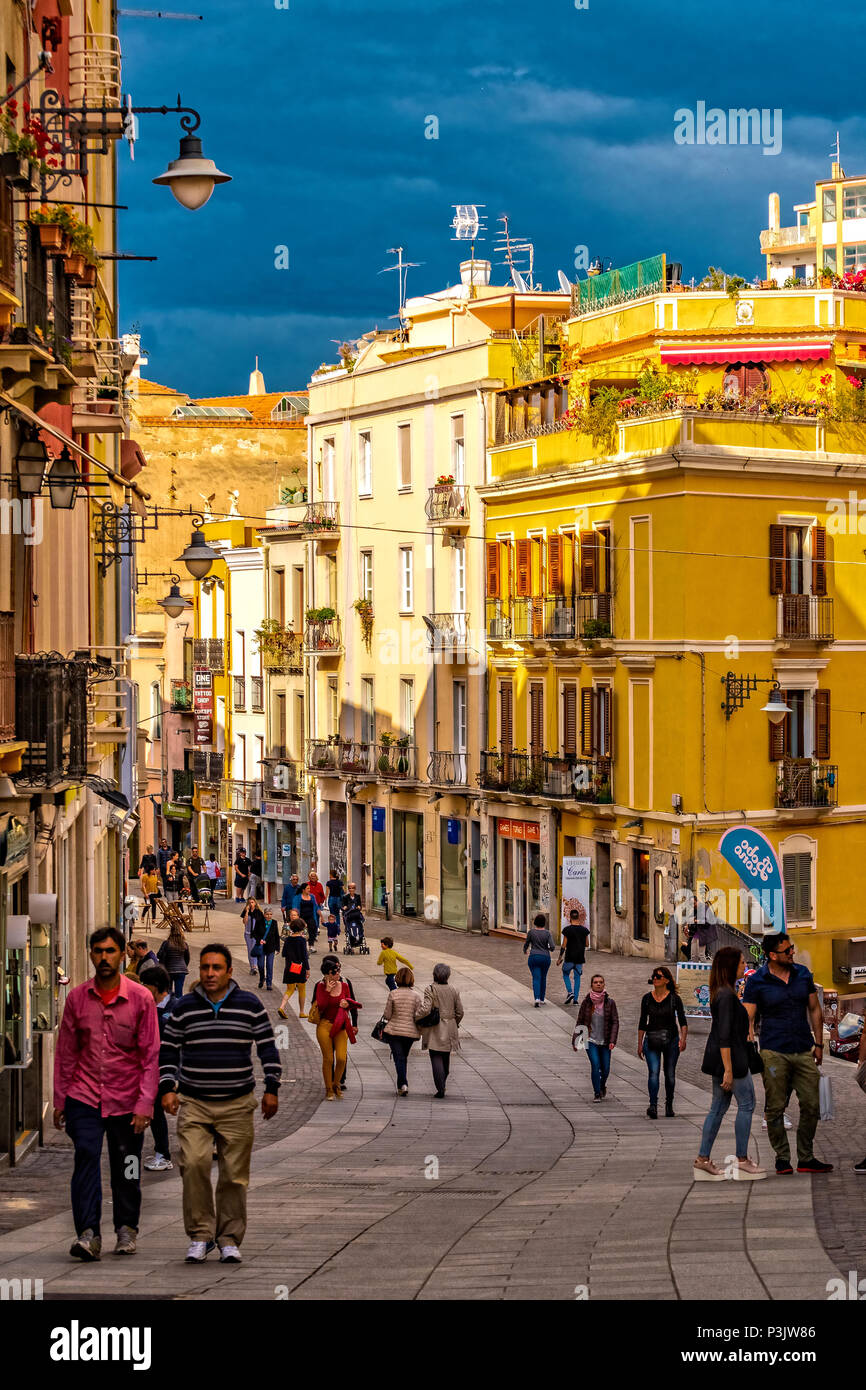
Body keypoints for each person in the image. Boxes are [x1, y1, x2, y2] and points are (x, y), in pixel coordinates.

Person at [159, 943, 280, 1264]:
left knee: (234, 1175)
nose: (210, 974)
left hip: (237, 1103)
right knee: (194, 1164)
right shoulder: (184, 1007)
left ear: (229, 971)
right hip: (195, 1103)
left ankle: (228, 1238)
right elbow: (169, 1049)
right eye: (205, 967)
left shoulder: (249, 1004)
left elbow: (268, 1047)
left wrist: (272, 1087)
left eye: (216, 968)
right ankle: (200, 1235)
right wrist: (167, 1087)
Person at [53, 926, 160, 1261]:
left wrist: (145, 1103)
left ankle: (126, 1228)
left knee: (127, 1165)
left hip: (127, 1100)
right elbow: (66, 1052)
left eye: (110, 951)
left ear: (121, 953)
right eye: (98, 951)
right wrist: (60, 1100)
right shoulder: (78, 998)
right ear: (90, 954)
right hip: (83, 1096)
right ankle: (88, 1234)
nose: (103, 958)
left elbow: (150, 1055)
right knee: (85, 1157)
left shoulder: (141, 999)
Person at [742, 932, 832, 1175]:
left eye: (791, 948)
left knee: (811, 1104)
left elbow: (814, 1009)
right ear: (772, 955)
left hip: (803, 1048)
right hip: (773, 1050)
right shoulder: (757, 981)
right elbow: (748, 1016)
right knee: (775, 1107)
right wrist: (747, 1042)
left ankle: (806, 1157)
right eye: (787, 950)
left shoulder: (802, 974)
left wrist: (820, 1044)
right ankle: (782, 1157)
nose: (792, 952)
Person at [695, 946, 766, 1180]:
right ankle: (742, 1160)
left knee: (718, 1108)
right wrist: (728, 1070)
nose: (745, 965)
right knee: (747, 1104)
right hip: (731, 1059)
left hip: (724, 1057)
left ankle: (703, 1160)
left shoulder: (724, 992)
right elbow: (724, 1034)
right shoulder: (726, 995)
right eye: (742, 962)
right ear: (730, 966)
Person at [138, 964, 178, 1173]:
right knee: (155, 1110)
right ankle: (162, 1153)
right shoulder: (145, 1007)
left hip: (173, 1072)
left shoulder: (176, 1009)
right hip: (151, 1070)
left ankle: (164, 1154)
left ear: (156, 987)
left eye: (145, 985)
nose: (142, 989)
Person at [638, 966, 688, 1118]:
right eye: (653, 976)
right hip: (651, 1039)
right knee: (653, 1072)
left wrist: (683, 1039)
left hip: (671, 1040)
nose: (655, 978)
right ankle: (653, 1105)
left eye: (658, 976)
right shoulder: (646, 998)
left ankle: (669, 1104)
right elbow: (642, 1022)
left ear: (666, 980)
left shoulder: (674, 999)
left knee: (670, 1074)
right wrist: (640, 1043)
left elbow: (682, 1021)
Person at [309, 955, 361, 1100]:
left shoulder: (344, 985)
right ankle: (329, 1089)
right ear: (328, 974)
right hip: (324, 1025)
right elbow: (321, 1006)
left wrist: (347, 1004)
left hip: (341, 1025)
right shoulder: (320, 986)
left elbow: (351, 1002)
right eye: (335, 972)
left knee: (342, 1058)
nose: (338, 974)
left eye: (338, 971)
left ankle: (336, 1083)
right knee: (328, 1059)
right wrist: (327, 990)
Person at [419, 963, 464, 1098]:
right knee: (445, 1055)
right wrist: (455, 1022)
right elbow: (460, 1011)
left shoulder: (430, 989)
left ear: (434, 974)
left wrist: (416, 1016)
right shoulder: (454, 989)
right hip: (450, 1026)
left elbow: (426, 1009)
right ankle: (442, 1082)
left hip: (435, 1027)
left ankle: (440, 1087)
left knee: (435, 1055)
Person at [575, 973, 619, 1100]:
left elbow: (615, 1022)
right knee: (595, 1065)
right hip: (590, 1040)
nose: (598, 984)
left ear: (604, 984)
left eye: (601, 982)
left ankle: (602, 1084)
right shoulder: (586, 1002)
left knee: (605, 1068)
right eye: (596, 982)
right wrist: (576, 1041)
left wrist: (612, 1040)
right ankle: (597, 1093)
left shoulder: (610, 1003)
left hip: (605, 1041)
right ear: (591, 985)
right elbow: (580, 1021)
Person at [383, 966, 424, 1096]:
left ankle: (403, 1083)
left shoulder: (393, 994)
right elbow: (419, 1015)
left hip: (394, 1031)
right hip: (410, 1033)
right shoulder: (416, 996)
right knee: (403, 1057)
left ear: (397, 979)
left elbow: (387, 1015)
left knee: (399, 1058)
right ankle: (402, 1083)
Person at [278, 913, 310, 1018]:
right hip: (299, 967)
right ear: (301, 928)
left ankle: (282, 1007)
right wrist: (307, 969)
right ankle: (301, 1012)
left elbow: (284, 954)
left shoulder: (288, 940)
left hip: (289, 967)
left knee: (290, 989)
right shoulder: (301, 940)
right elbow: (305, 956)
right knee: (302, 989)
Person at [523, 912, 556, 1006]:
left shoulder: (531, 932)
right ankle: (542, 998)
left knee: (536, 978)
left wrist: (525, 950)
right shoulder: (547, 933)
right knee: (543, 978)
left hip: (534, 957)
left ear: (535, 922)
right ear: (544, 923)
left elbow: (526, 943)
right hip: (545, 957)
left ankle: (536, 998)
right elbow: (553, 947)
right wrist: (548, 948)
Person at [558, 907, 590, 1004]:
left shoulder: (567, 930)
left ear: (570, 918)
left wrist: (560, 958)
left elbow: (564, 945)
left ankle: (570, 992)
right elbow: (587, 944)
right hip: (579, 958)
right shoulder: (584, 930)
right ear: (579, 918)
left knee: (565, 974)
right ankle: (575, 1000)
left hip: (569, 957)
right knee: (577, 978)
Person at [156, 921, 190, 998]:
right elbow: (187, 958)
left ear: (171, 931)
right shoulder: (184, 944)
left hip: (169, 970)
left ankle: (170, 1007)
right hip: (181, 970)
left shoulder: (166, 943)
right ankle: (179, 1007)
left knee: (168, 992)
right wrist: (183, 965)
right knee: (179, 992)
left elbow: (159, 955)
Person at [240, 897, 266, 976]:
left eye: (252, 902)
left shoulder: (258, 912)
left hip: (256, 934)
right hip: (248, 934)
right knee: (250, 951)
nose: (251, 904)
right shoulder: (246, 911)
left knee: (254, 949)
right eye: (249, 902)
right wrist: (247, 912)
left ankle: (255, 967)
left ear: (255, 903)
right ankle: (252, 967)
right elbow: (244, 922)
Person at [257, 910, 280, 991]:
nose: (269, 916)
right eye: (267, 914)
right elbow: (254, 934)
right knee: (260, 965)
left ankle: (269, 983)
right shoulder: (259, 922)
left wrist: (278, 948)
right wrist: (259, 940)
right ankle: (262, 978)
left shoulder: (274, 923)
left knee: (269, 966)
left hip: (271, 948)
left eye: (271, 914)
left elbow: (277, 935)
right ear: (264, 914)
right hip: (261, 947)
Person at [297, 882, 320, 953]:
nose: (309, 890)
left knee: (312, 929)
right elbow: (295, 907)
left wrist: (321, 916)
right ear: (303, 890)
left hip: (311, 916)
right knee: (302, 931)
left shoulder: (312, 896)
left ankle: (311, 945)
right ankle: (303, 946)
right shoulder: (298, 897)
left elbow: (316, 907)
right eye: (308, 888)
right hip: (301, 917)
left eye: (309, 888)